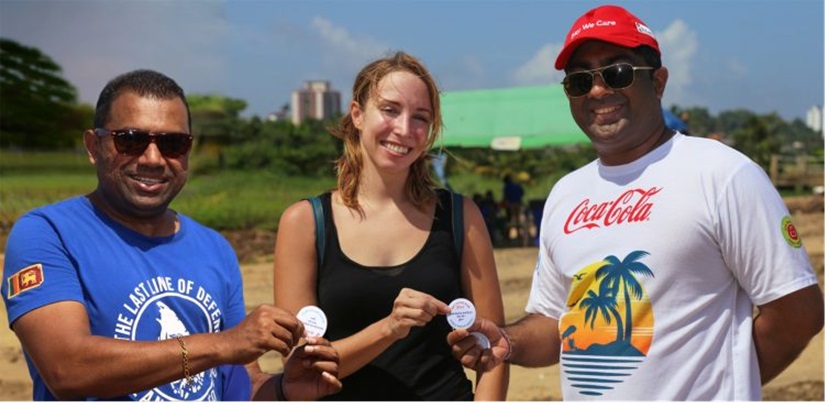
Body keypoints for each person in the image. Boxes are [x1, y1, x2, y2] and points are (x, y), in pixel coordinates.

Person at [448, 4, 823, 401]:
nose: (597, 90)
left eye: (618, 73)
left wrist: (722, 384)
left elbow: (798, 314)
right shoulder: (566, 193)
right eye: (579, 80)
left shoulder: (722, 174)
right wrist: (509, 341)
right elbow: (556, 321)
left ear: (658, 81)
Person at [1, 69, 342, 401]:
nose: (153, 158)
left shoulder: (214, 248)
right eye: (131, 140)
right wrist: (224, 344)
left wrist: (285, 389)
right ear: (93, 145)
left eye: (172, 143)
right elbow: (67, 368)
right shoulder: (48, 233)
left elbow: (242, 385)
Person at [273, 51, 508, 401]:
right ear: (357, 114)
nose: (404, 129)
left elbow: (493, 348)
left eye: (420, 117)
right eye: (390, 110)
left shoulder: (460, 215)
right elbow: (303, 372)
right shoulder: (305, 222)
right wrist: (390, 328)